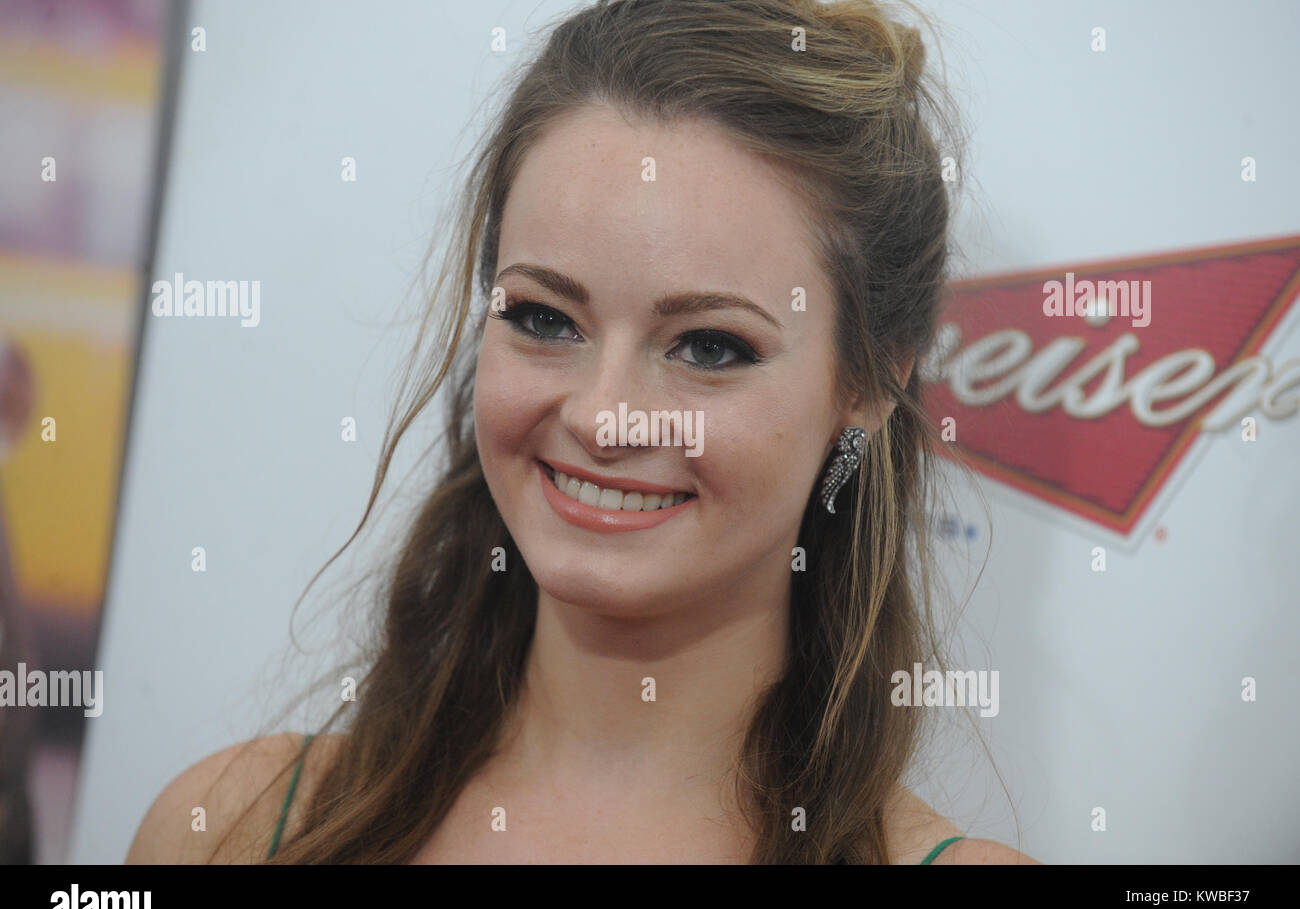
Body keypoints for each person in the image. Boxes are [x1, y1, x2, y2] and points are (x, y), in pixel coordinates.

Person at [128, 0, 1039, 864]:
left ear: (875, 378)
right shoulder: (230, 828)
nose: (604, 418)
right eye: (545, 318)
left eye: (710, 347)